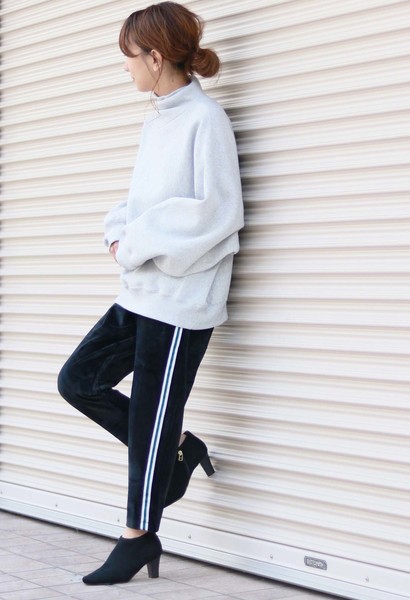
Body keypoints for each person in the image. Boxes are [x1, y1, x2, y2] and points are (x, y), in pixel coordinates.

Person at [57, 1, 244, 586]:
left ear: (156, 57)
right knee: (78, 381)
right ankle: (178, 448)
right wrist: (119, 233)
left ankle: (138, 537)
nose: (126, 67)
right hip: (142, 290)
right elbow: (142, 202)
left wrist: (137, 241)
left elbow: (218, 212)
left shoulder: (205, 120)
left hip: (181, 299)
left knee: (148, 419)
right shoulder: (159, 118)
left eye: (130, 57)